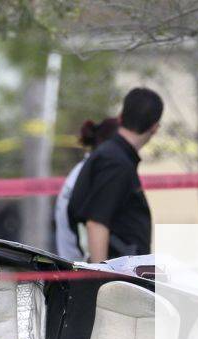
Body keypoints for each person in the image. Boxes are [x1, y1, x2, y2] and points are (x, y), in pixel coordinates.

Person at [68, 87, 163, 262]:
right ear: (155, 127)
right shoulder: (116, 162)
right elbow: (96, 223)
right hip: (115, 278)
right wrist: (101, 279)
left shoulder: (113, 156)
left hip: (120, 274)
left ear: (121, 117)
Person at [54, 117, 119, 260]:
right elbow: (91, 228)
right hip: (82, 266)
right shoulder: (94, 174)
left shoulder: (82, 169)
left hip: (72, 261)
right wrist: (100, 271)